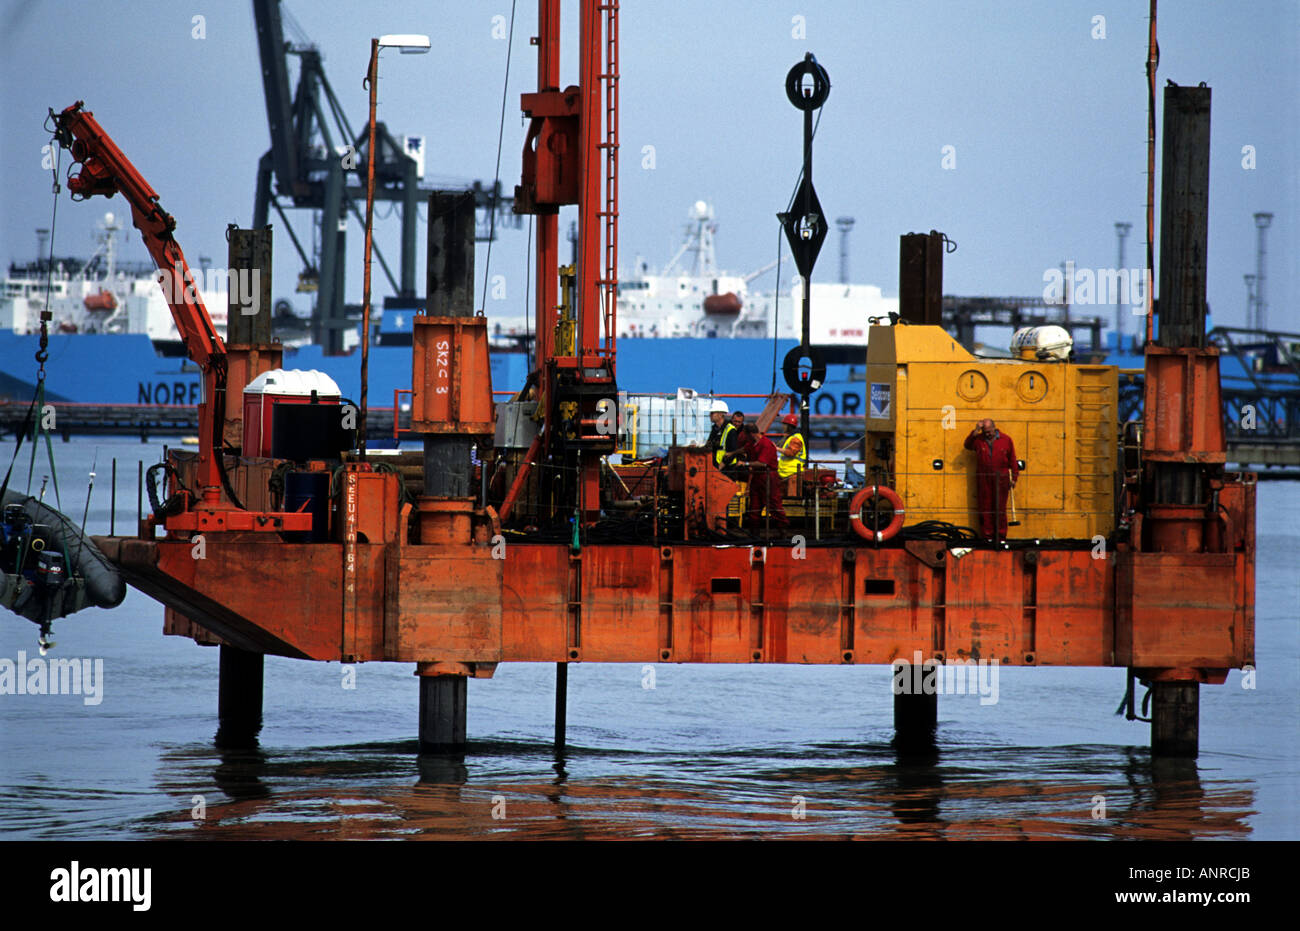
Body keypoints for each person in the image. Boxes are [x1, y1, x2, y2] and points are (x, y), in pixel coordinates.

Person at [963, 418, 1019, 541]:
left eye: (989, 431)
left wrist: (1014, 477)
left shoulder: (1006, 440)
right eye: (984, 432)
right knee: (985, 507)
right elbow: (967, 445)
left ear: (994, 428)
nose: (987, 434)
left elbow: (1012, 459)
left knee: (1000, 508)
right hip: (984, 478)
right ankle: (987, 536)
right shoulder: (979, 440)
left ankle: (1000, 536)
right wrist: (976, 430)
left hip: (1002, 478)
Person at [738, 422, 786, 531]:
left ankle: (783, 530)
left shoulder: (766, 444)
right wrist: (732, 453)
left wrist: (745, 464)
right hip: (757, 477)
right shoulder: (752, 443)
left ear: (751, 434)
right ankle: (754, 533)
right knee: (754, 505)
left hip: (769, 477)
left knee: (774, 504)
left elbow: (762, 463)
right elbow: (745, 449)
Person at [707, 399, 740, 474]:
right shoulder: (714, 429)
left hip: (727, 470)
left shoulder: (731, 430)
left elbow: (732, 452)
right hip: (715, 467)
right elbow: (710, 445)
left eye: (712, 413)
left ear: (720, 414)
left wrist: (720, 467)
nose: (710, 415)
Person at [777, 413, 806, 483]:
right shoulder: (791, 438)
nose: (782, 427)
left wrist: (776, 448)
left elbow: (790, 453)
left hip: (791, 472)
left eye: (784, 425)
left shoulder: (795, 438)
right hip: (787, 471)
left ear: (789, 426)